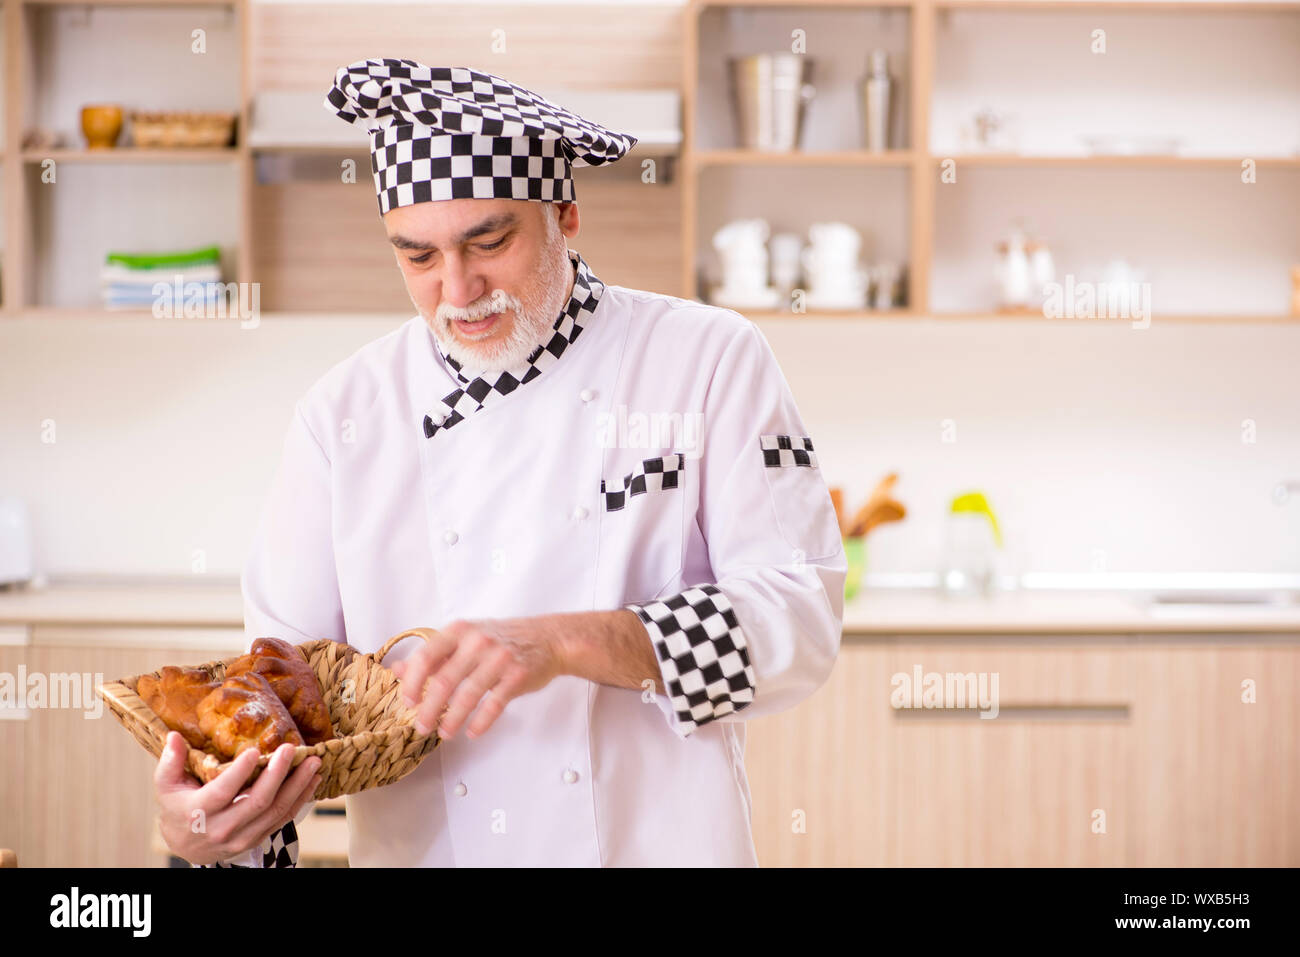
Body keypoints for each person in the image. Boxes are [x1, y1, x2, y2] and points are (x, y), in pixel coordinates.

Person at [156, 59, 846, 867]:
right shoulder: (342, 415)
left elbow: (799, 620)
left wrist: (572, 641)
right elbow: (281, 702)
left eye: (490, 240)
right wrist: (214, 827)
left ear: (565, 213)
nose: (458, 288)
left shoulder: (706, 358)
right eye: (417, 257)